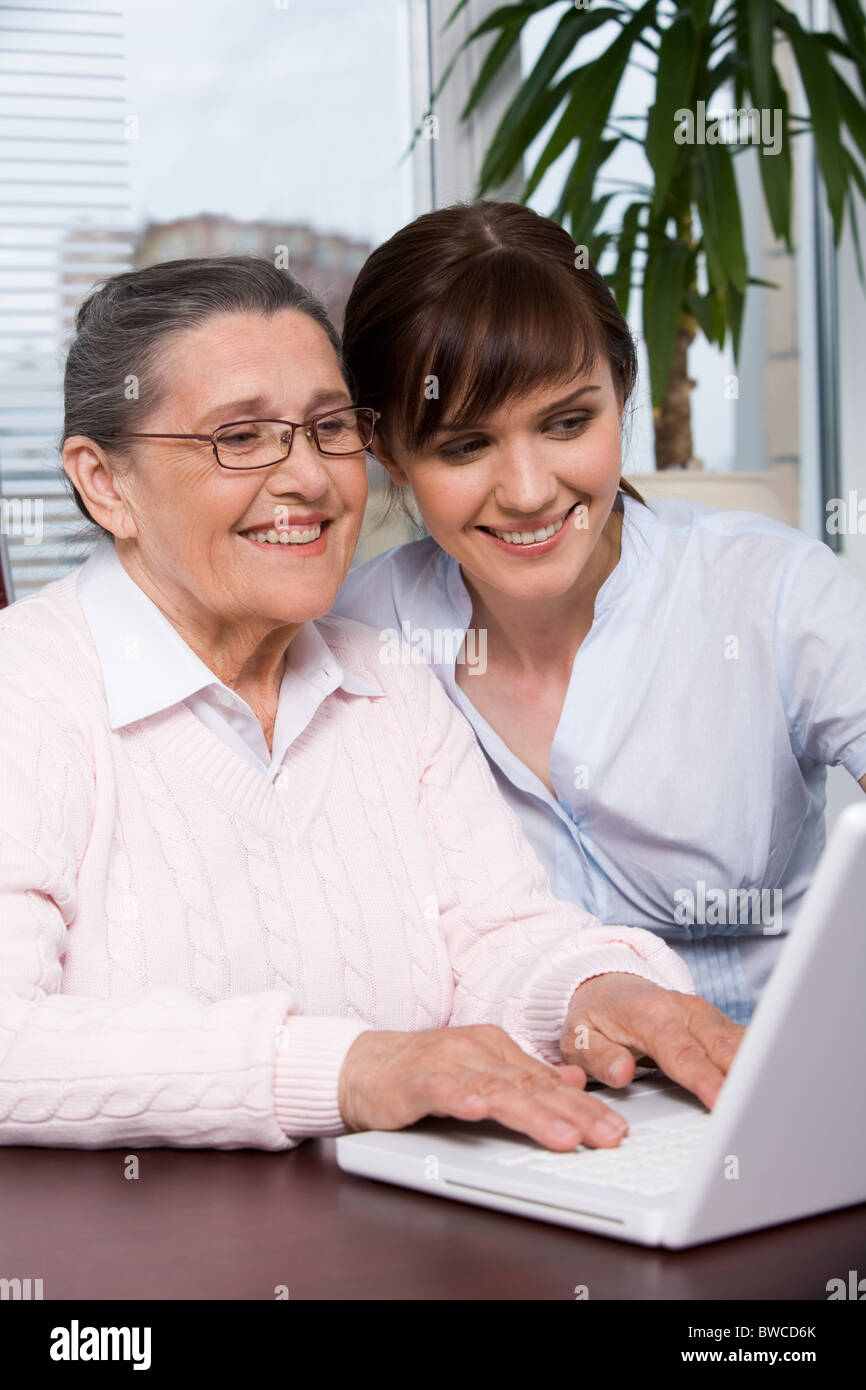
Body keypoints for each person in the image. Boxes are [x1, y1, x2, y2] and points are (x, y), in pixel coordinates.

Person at [0, 256, 744, 1153]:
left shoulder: (387, 679)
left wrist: (597, 993)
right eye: (239, 437)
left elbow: (495, 938)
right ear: (104, 483)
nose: (310, 480)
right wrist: (350, 1070)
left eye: (328, 428)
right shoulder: (30, 690)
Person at [332, 200, 866, 1026]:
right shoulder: (356, 637)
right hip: (510, 1120)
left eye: (568, 423)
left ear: (624, 389)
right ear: (389, 452)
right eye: (465, 446)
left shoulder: (770, 590)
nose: (529, 491)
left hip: (774, 1097)